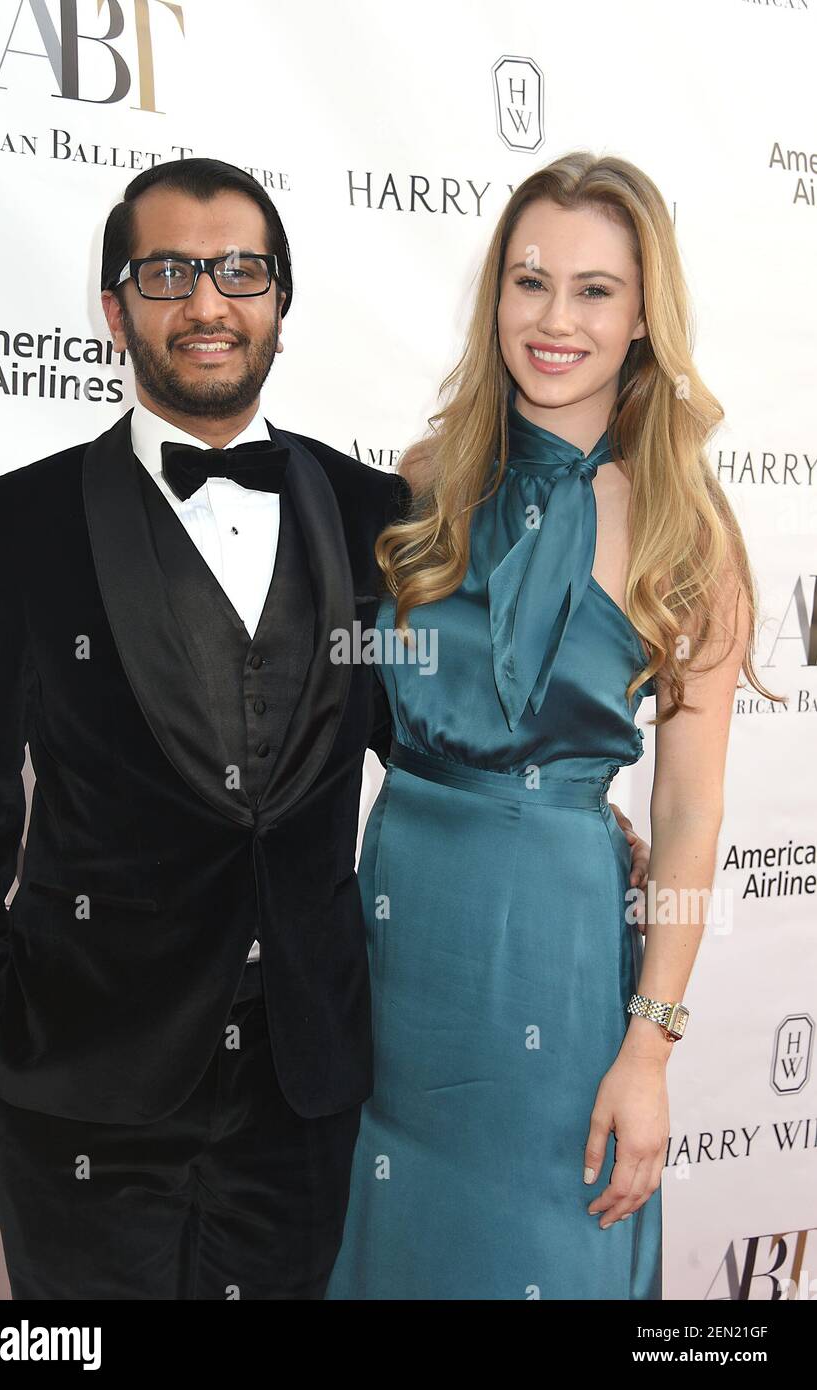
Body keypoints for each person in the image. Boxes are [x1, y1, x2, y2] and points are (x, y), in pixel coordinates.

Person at [0, 156, 649, 1301]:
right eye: (170, 272)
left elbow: (438, 730)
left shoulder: (379, 513)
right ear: (116, 306)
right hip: (79, 1100)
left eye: (240, 271)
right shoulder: (12, 522)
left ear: (281, 299)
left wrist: (580, 816)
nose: (209, 303)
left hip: (311, 1099)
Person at [325, 151, 783, 1301]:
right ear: (496, 298)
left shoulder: (690, 532)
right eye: (531, 282)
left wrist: (650, 1046)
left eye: (595, 290)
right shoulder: (425, 484)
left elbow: (685, 812)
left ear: (642, 318)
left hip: (560, 966)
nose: (556, 317)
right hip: (397, 943)